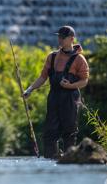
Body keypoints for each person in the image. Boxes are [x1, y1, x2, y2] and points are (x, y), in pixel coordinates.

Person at [23, 26, 89, 159]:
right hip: (53, 98)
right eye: (59, 36)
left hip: (71, 99)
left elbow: (84, 81)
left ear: (71, 39)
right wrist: (29, 90)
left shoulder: (79, 59)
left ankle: (69, 161)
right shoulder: (51, 57)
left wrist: (71, 86)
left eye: (62, 37)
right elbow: (42, 78)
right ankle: (50, 163)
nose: (59, 39)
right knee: (50, 132)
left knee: (69, 131)